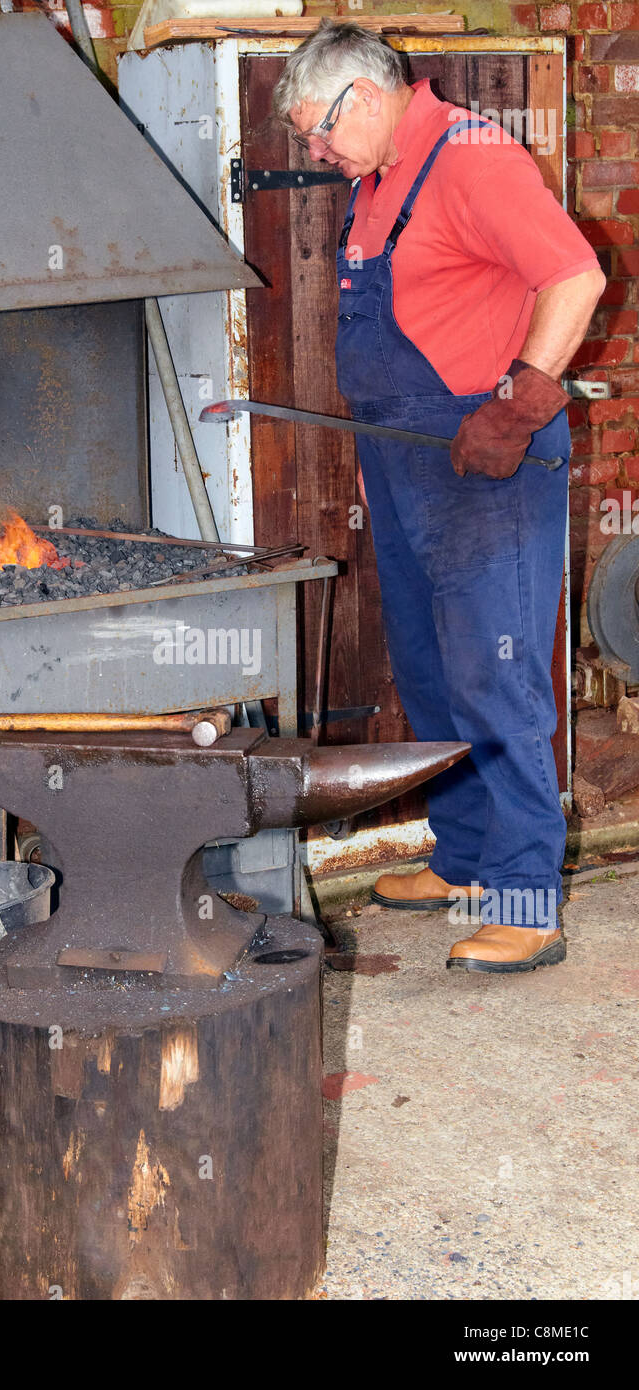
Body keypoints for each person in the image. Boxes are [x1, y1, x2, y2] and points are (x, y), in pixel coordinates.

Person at [273, 21, 604, 973]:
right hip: (407, 459)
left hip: (487, 458)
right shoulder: (380, 177)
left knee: (496, 675)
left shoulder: (475, 159)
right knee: (427, 666)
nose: (314, 152)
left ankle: (527, 900)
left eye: (318, 131)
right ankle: (464, 859)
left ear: (364, 98)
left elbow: (576, 277)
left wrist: (521, 404)